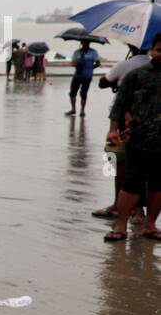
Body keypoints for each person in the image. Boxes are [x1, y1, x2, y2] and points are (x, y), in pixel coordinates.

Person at [104, 34, 161, 242]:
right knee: (130, 184)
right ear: (151, 51)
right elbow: (119, 105)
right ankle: (120, 226)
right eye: (159, 50)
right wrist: (113, 129)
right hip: (137, 138)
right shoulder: (136, 75)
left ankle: (150, 225)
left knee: (157, 185)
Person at [67, 40, 100, 116]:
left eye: (87, 42)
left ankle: (82, 110)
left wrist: (90, 68)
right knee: (72, 93)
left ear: (89, 43)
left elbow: (98, 63)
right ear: (81, 43)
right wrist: (77, 64)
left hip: (87, 76)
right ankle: (73, 109)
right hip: (77, 75)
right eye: (84, 42)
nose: (86, 44)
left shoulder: (93, 52)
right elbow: (72, 63)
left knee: (83, 93)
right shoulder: (77, 52)